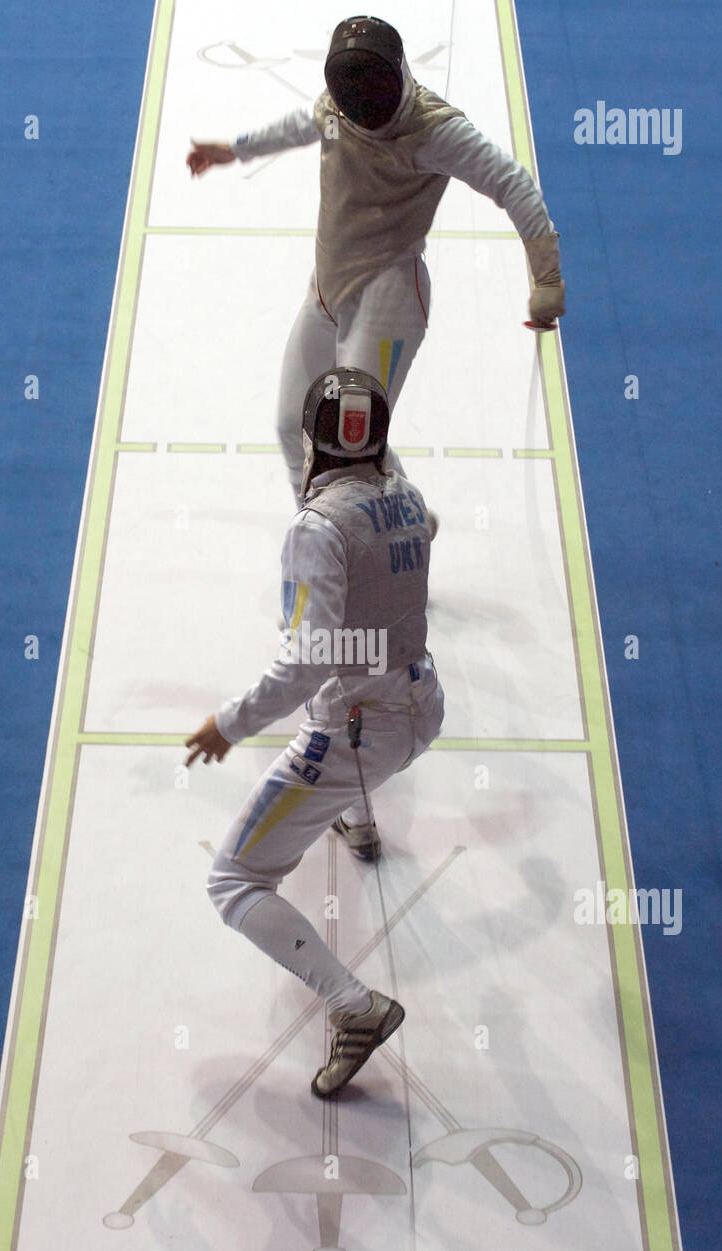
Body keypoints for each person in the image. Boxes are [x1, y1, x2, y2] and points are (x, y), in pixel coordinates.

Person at [184, 368, 445, 1098]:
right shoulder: (408, 498)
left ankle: (356, 1009)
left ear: (312, 442)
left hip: (362, 735)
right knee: (344, 704)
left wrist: (228, 724)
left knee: (234, 880)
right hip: (423, 701)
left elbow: (307, 665)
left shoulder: (318, 528)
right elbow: (377, 629)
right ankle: (357, 822)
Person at [186, 15, 564, 502]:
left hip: (390, 299)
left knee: (352, 439)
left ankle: (391, 524)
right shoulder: (336, 112)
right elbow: (302, 124)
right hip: (326, 288)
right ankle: (324, 524)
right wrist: (235, 149)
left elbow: (512, 183)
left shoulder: (434, 131)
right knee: (292, 424)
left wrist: (547, 277)